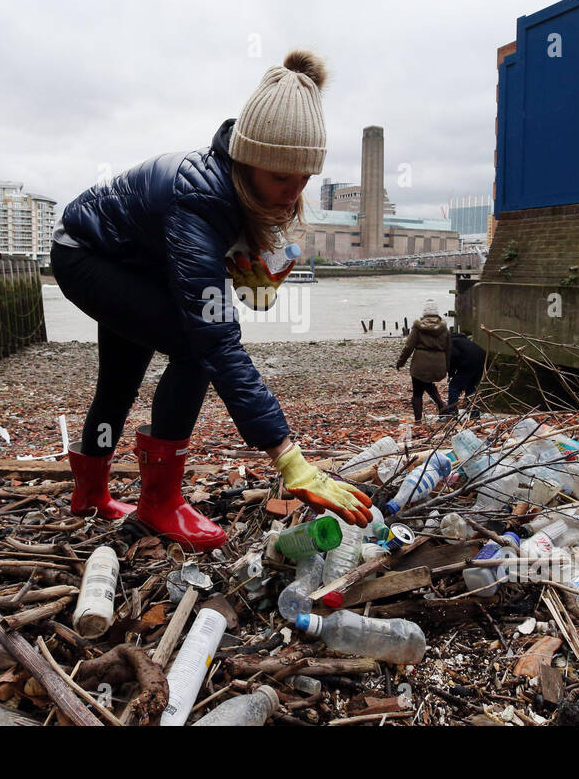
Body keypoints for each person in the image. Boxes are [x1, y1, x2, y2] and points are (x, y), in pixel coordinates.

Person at [50, 50, 372, 551]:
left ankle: (89, 493)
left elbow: (240, 290)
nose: (292, 194)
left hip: (135, 262)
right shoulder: (200, 198)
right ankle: (160, 502)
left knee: (120, 380)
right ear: (247, 159)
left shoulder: (244, 190)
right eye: (281, 178)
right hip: (87, 255)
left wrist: (254, 284)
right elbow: (218, 337)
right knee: (194, 349)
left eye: (304, 178)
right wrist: (289, 459)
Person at [396, 299, 450, 422]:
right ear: (437, 313)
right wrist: (447, 367)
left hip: (420, 363)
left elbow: (408, 347)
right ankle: (441, 404)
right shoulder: (445, 329)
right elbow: (449, 349)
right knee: (426, 382)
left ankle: (418, 420)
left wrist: (401, 362)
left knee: (417, 390)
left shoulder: (418, 328)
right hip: (439, 363)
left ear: (424, 313)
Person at [444, 331, 487, 416]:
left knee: (453, 387)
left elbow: (454, 357)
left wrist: (451, 372)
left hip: (469, 364)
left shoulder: (451, 342)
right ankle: (474, 414)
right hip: (482, 362)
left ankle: (452, 414)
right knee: (471, 388)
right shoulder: (465, 341)